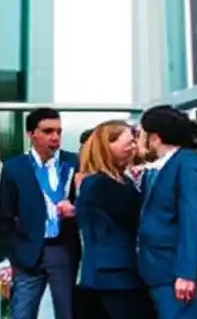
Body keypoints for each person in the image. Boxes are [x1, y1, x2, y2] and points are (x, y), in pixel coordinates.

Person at [136, 106, 197, 319]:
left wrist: (186, 272)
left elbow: (195, 220)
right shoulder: (168, 166)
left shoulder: (189, 166)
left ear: (154, 137)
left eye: (141, 133)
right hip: (161, 272)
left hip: (176, 274)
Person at [0, 108, 80, 319]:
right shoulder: (14, 167)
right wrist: (11, 255)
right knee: (21, 313)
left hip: (63, 248)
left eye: (59, 131)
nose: (55, 137)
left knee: (68, 312)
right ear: (32, 134)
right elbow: (5, 214)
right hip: (27, 252)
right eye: (48, 131)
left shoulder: (74, 163)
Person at [75, 120, 155, 319]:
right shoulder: (99, 184)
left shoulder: (119, 180)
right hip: (112, 278)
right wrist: (147, 155)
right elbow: (136, 216)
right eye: (129, 142)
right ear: (107, 146)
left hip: (115, 276)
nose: (134, 147)